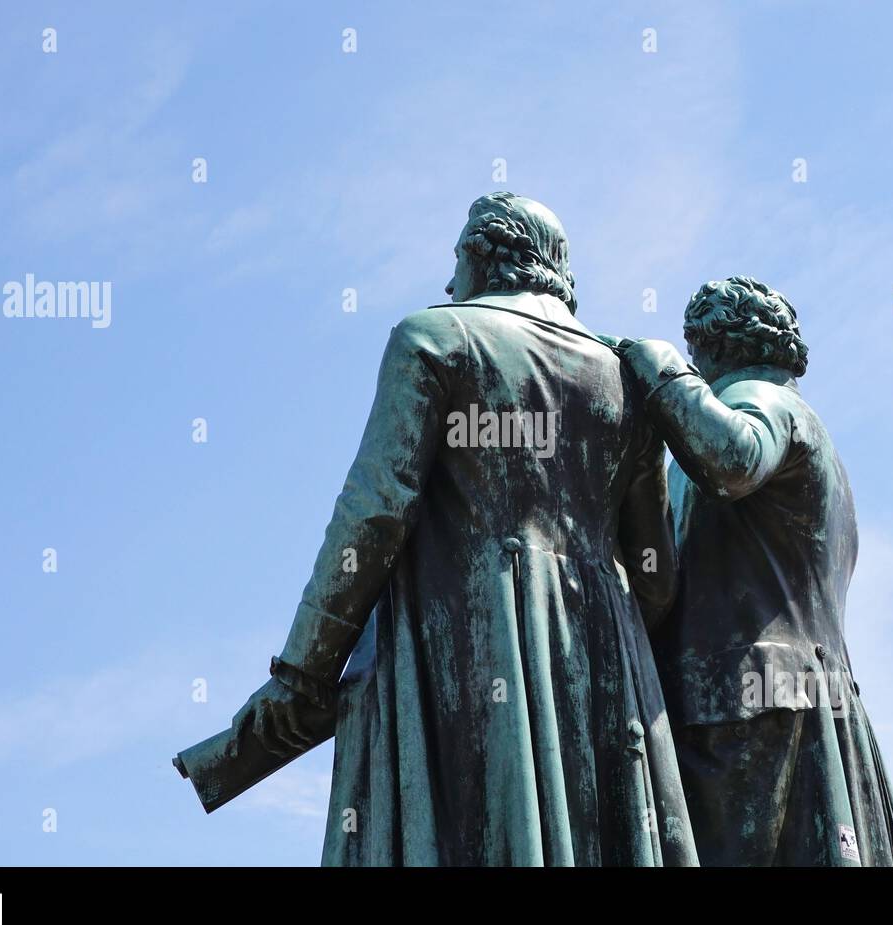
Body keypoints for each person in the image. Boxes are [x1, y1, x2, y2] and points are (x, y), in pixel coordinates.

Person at [233, 192, 697, 866]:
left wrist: (303, 670)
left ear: (486, 255)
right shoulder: (626, 380)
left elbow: (374, 509)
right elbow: (655, 576)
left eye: (457, 260)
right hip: (606, 661)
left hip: (468, 644)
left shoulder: (434, 336)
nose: (451, 283)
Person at [621, 276, 893, 866]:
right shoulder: (820, 446)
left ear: (712, 346)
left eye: (694, 349)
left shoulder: (761, 400)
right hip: (809, 703)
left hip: (743, 705)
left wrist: (661, 374)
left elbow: (734, 458)